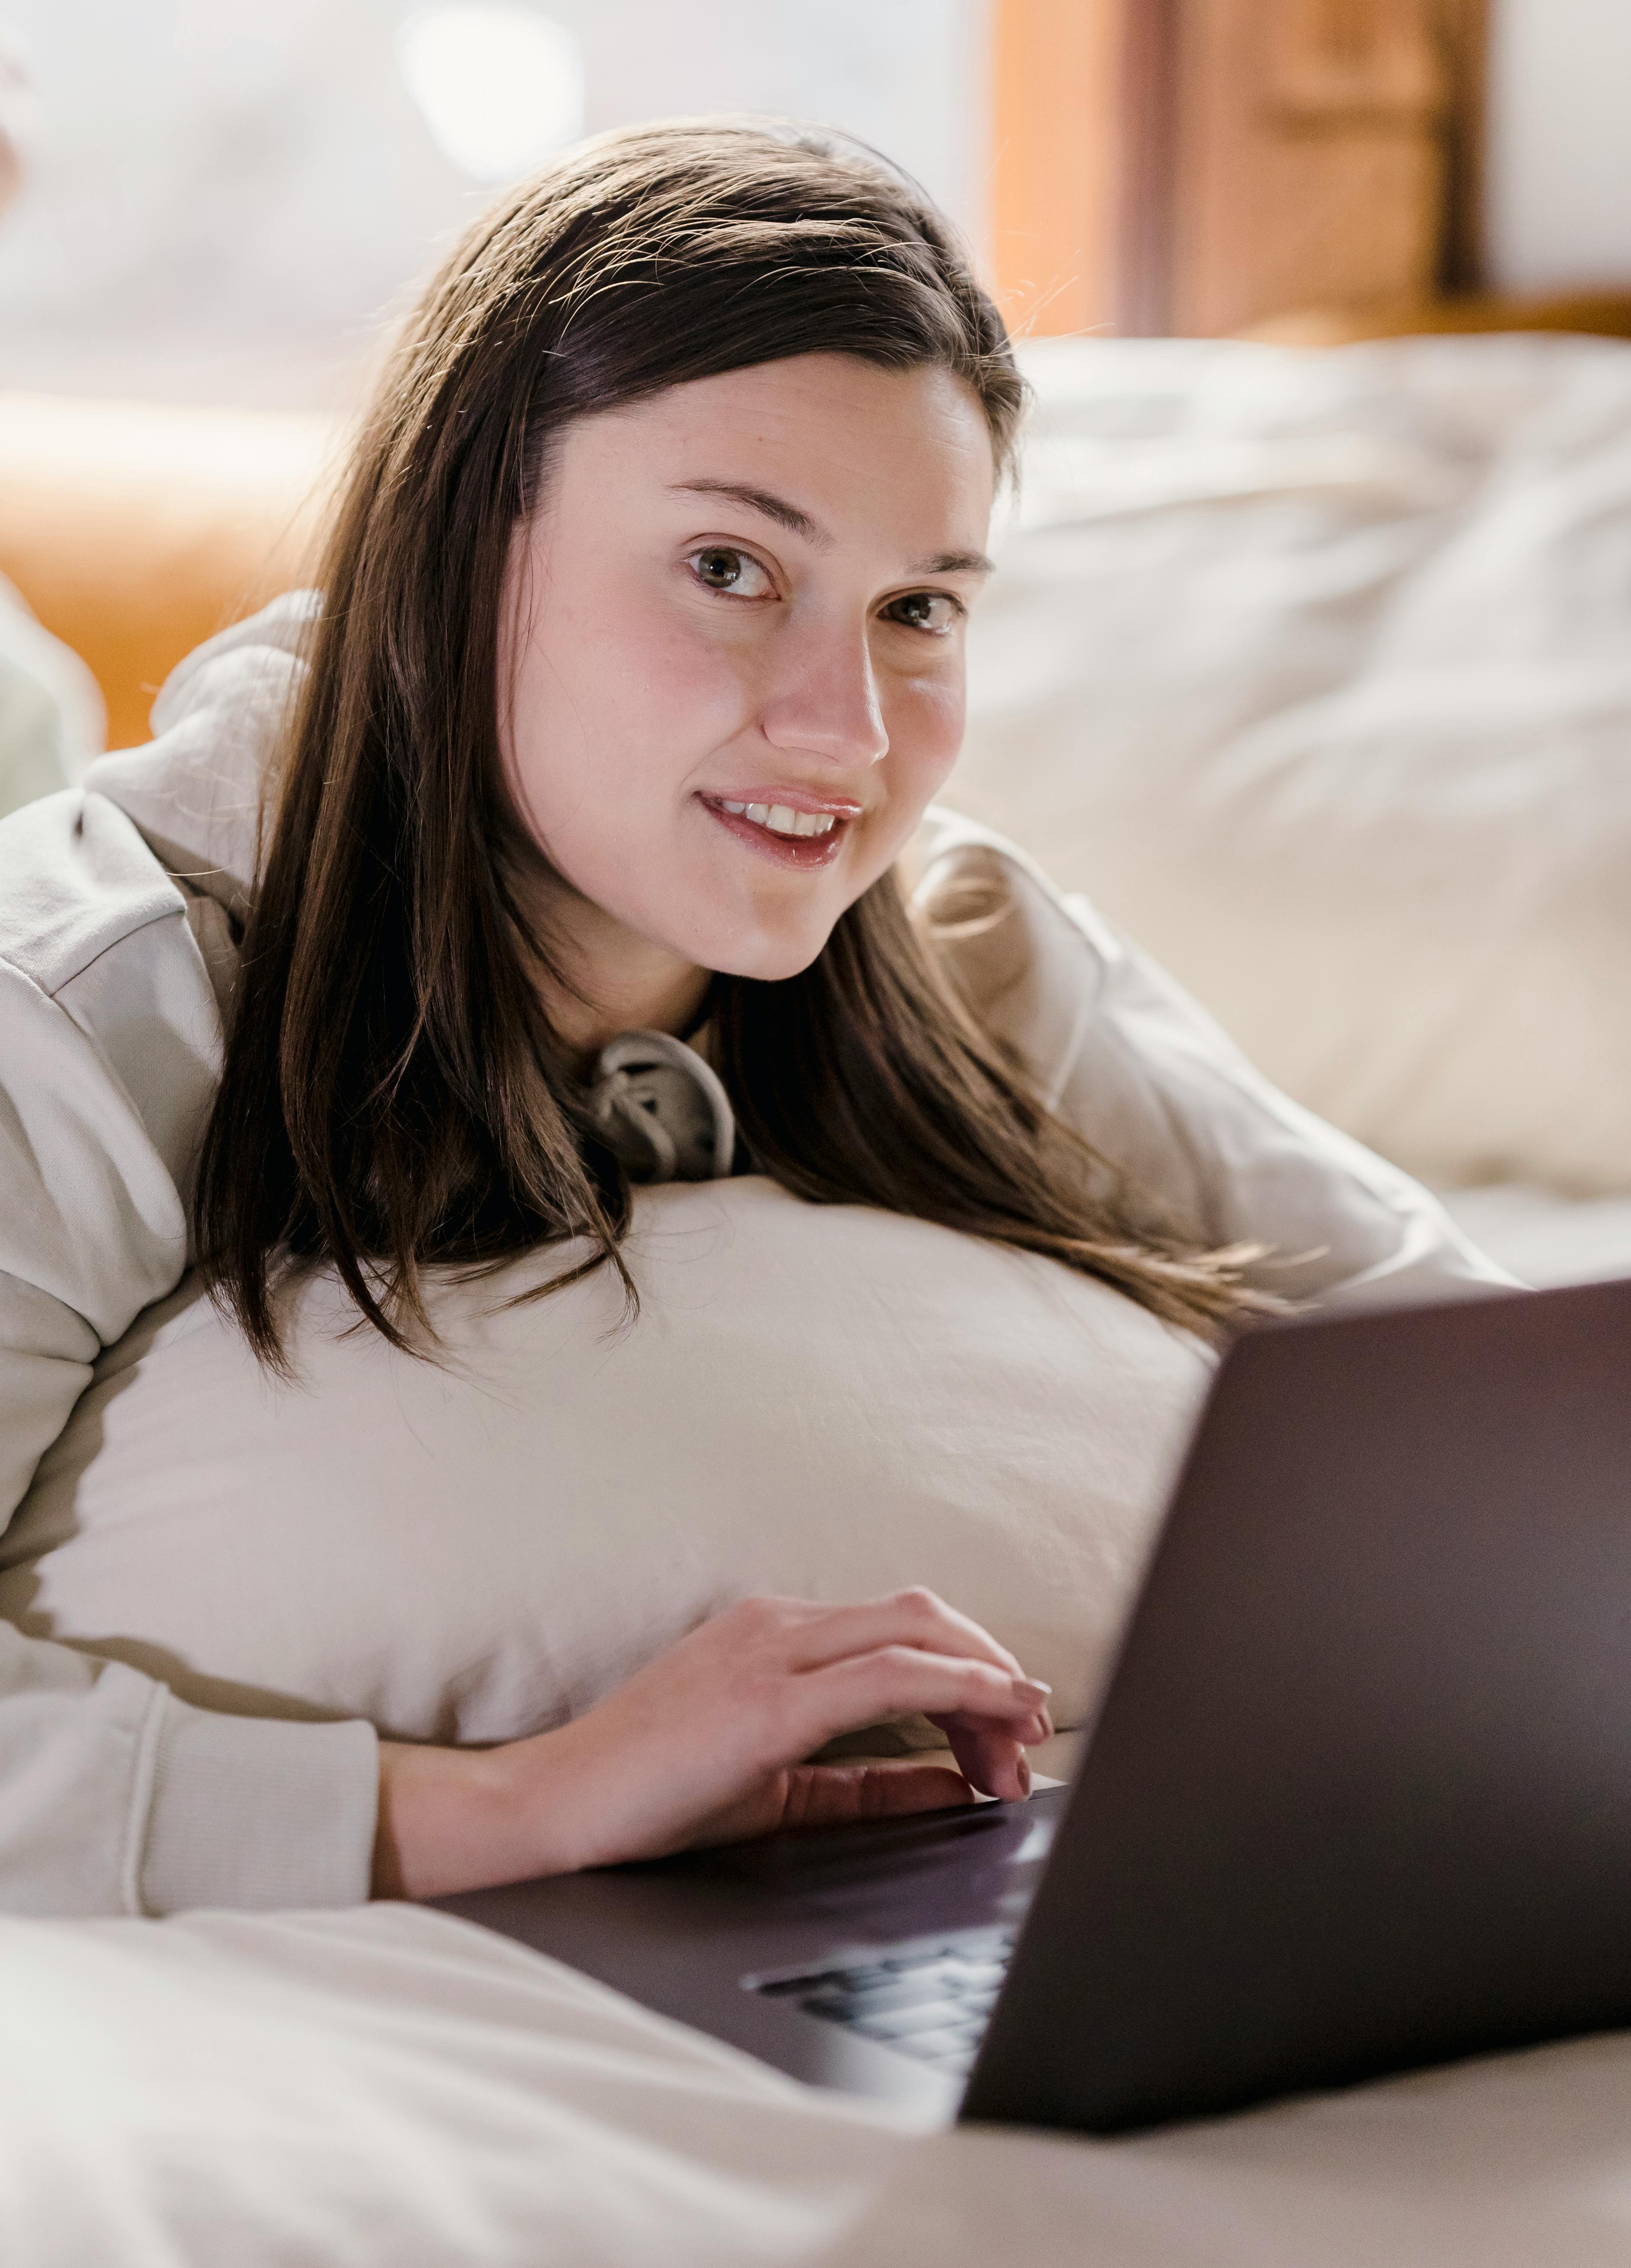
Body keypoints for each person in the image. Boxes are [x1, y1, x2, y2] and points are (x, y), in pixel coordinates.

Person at [0, 119, 1504, 1919]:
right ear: (454, 553)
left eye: (919, 607)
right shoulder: (91, 1011)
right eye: (732, 568)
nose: (849, 731)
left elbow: (1488, 1403)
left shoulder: (976, 959)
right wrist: (525, 1803)